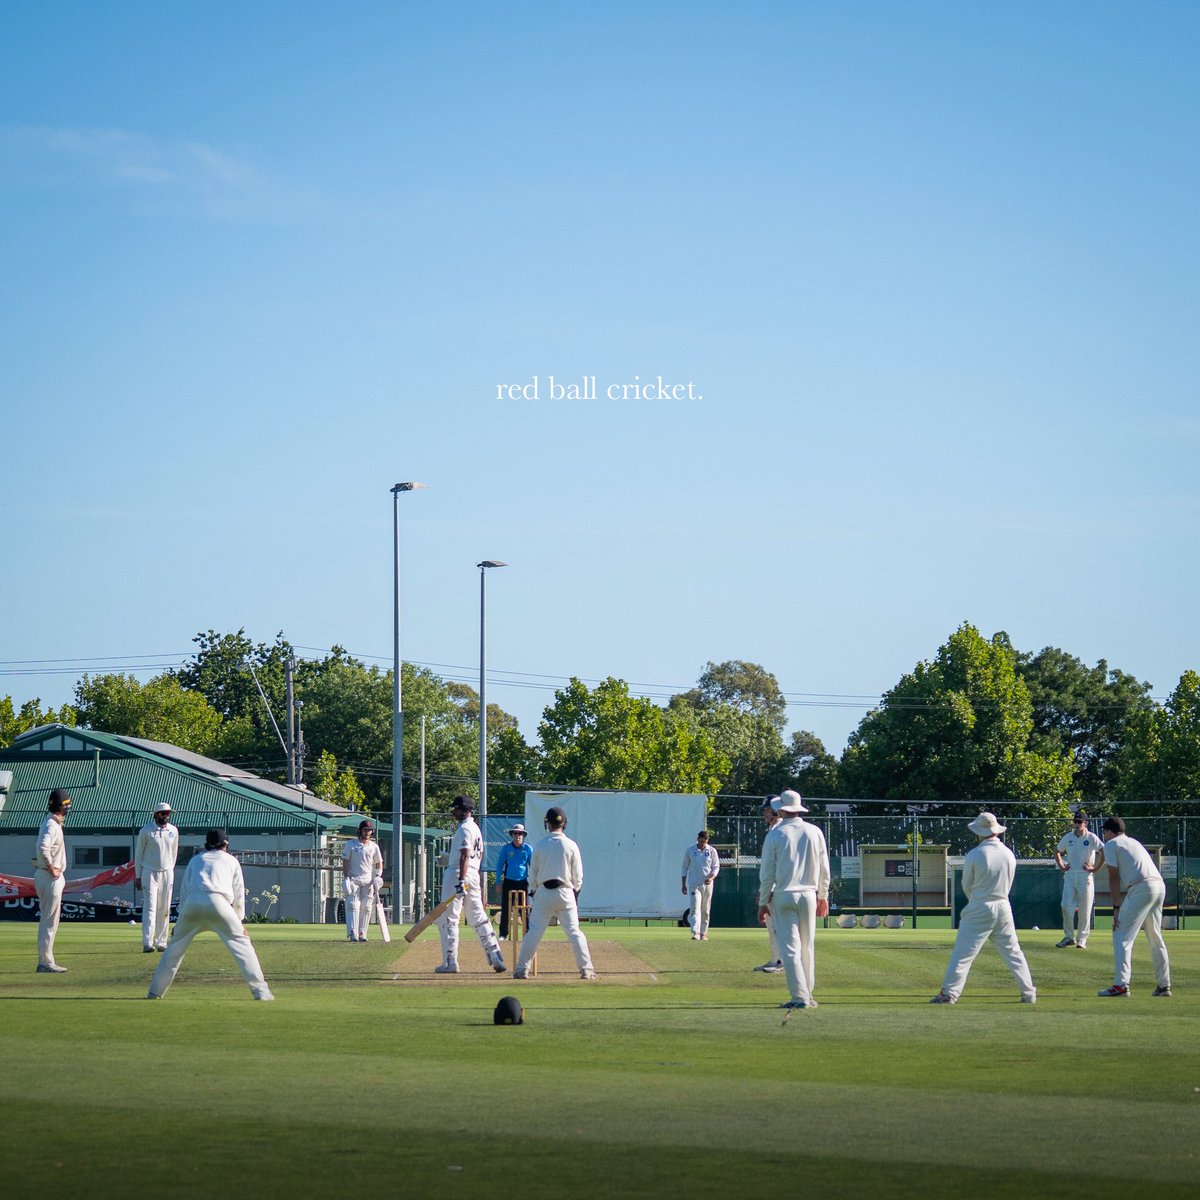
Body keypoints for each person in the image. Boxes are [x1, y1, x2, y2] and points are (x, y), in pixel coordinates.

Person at [147, 829, 273, 1001]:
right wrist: (239, 921)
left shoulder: (195, 860)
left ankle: (155, 992)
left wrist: (180, 920)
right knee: (243, 946)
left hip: (192, 904)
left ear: (207, 844)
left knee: (174, 949)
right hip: (219, 904)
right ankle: (261, 992)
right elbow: (238, 894)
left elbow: (184, 891)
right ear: (225, 844)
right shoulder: (231, 860)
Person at [931, 812, 1036, 1005]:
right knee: (1014, 953)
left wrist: (976, 901)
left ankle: (949, 993)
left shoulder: (975, 854)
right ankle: (1029, 993)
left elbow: (966, 885)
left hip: (980, 905)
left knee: (963, 954)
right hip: (1003, 905)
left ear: (979, 832)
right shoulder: (1008, 854)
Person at [757, 789, 829, 1009]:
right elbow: (824, 868)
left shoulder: (775, 835)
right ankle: (808, 994)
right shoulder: (814, 831)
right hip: (809, 895)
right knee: (807, 946)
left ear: (781, 810)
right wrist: (823, 895)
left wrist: (763, 901)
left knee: (790, 948)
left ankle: (800, 997)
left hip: (784, 895)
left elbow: (767, 873)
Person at [513, 806, 595, 981]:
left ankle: (521, 969)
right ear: (564, 823)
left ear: (547, 823)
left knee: (534, 932)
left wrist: (535, 891)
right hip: (566, 891)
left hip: (544, 892)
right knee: (574, 932)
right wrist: (575, 893)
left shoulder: (540, 846)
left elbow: (532, 875)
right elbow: (578, 876)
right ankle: (586, 970)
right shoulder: (571, 845)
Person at [1097, 816, 1171, 998]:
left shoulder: (1111, 845)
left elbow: (1114, 877)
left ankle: (1121, 985)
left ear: (1109, 832)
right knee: (1155, 937)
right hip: (1158, 886)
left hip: (1141, 888)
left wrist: (1116, 908)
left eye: (1104, 831)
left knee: (1121, 935)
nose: (1104, 835)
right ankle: (1164, 986)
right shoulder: (1134, 842)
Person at [435, 795, 506, 974]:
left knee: (448, 919)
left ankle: (450, 962)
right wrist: (450, 859)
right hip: (473, 874)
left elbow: (466, 854)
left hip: (458, 875)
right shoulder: (475, 828)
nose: (453, 812)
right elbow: (472, 856)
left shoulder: (464, 828)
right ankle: (495, 955)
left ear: (463, 810)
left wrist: (460, 880)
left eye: (455, 809)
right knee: (477, 916)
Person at [1053, 811, 1104, 948]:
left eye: (1079, 822)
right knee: (1065, 906)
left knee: (1084, 909)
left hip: (1085, 877)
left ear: (1085, 823)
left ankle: (1082, 939)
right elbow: (1057, 851)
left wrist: (1095, 869)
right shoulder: (1068, 837)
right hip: (1070, 876)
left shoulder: (1092, 837)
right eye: (1075, 821)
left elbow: (1104, 852)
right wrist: (1062, 866)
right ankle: (1068, 937)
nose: (1076, 824)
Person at [34, 789, 71, 974]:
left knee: (49, 921)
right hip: (50, 877)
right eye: (66, 805)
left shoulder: (51, 823)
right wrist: (51, 867)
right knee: (49, 922)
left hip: (46, 876)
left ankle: (45, 960)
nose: (68, 809)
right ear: (61, 807)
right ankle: (45, 962)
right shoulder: (51, 825)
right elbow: (43, 848)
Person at [134, 801, 179, 953]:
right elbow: (139, 854)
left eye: (168, 814)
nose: (166, 816)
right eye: (163, 813)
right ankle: (147, 943)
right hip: (149, 872)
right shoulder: (146, 831)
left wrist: (169, 869)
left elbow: (174, 853)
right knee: (150, 907)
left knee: (164, 907)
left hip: (167, 872)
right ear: (156, 814)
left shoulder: (173, 830)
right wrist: (138, 875)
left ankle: (161, 942)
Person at [753, 796, 783, 973]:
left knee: (778, 927)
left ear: (775, 811)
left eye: (766, 810)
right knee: (772, 928)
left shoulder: (780, 831)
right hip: (771, 887)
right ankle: (775, 959)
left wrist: (769, 889)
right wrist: (763, 890)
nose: (764, 813)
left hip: (778, 888)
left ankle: (781, 961)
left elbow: (776, 865)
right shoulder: (772, 830)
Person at [342, 819, 384, 942]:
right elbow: (345, 862)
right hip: (354, 880)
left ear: (372, 832)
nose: (367, 832)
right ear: (360, 830)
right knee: (353, 905)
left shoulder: (374, 846)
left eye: (369, 830)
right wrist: (346, 878)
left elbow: (379, 863)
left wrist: (378, 876)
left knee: (366, 907)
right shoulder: (351, 844)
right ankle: (352, 933)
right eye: (365, 830)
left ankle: (362, 933)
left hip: (368, 881)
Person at [681, 829, 720, 940]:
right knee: (695, 907)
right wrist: (683, 884)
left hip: (707, 885)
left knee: (705, 910)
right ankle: (695, 932)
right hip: (694, 884)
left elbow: (716, 867)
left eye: (705, 842)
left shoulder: (712, 851)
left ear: (707, 840)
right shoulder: (690, 851)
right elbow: (684, 868)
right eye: (701, 841)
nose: (702, 844)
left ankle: (704, 933)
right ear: (697, 839)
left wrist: (711, 878)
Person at [495, 822, 533, 939]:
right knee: (506, 908)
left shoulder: (528, 849)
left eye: (520, 834)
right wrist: (498, 882)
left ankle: (528, 934)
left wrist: (534, 883)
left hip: (522, 882)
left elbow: (533, 867)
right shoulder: (506, 848)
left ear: (523, 835)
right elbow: (499, 866)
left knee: (524, 909)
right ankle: (503, 934)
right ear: (512, 835)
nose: (517, 836)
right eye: (515, 833)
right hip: (508, 881)